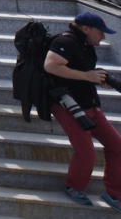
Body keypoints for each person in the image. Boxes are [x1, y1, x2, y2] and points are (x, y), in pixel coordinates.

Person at [45, 10, 121, 207]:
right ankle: (73, 186)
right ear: (86, 29)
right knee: (86, 152)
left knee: (117, 145)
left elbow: (79, 70)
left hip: (89, 104)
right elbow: (51, 65)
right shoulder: (66, 42)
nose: (104, 36)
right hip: (69, 105)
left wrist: (97, 77)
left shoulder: (87, 45)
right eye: (101, 32)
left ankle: (113, 193)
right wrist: (88, 77)